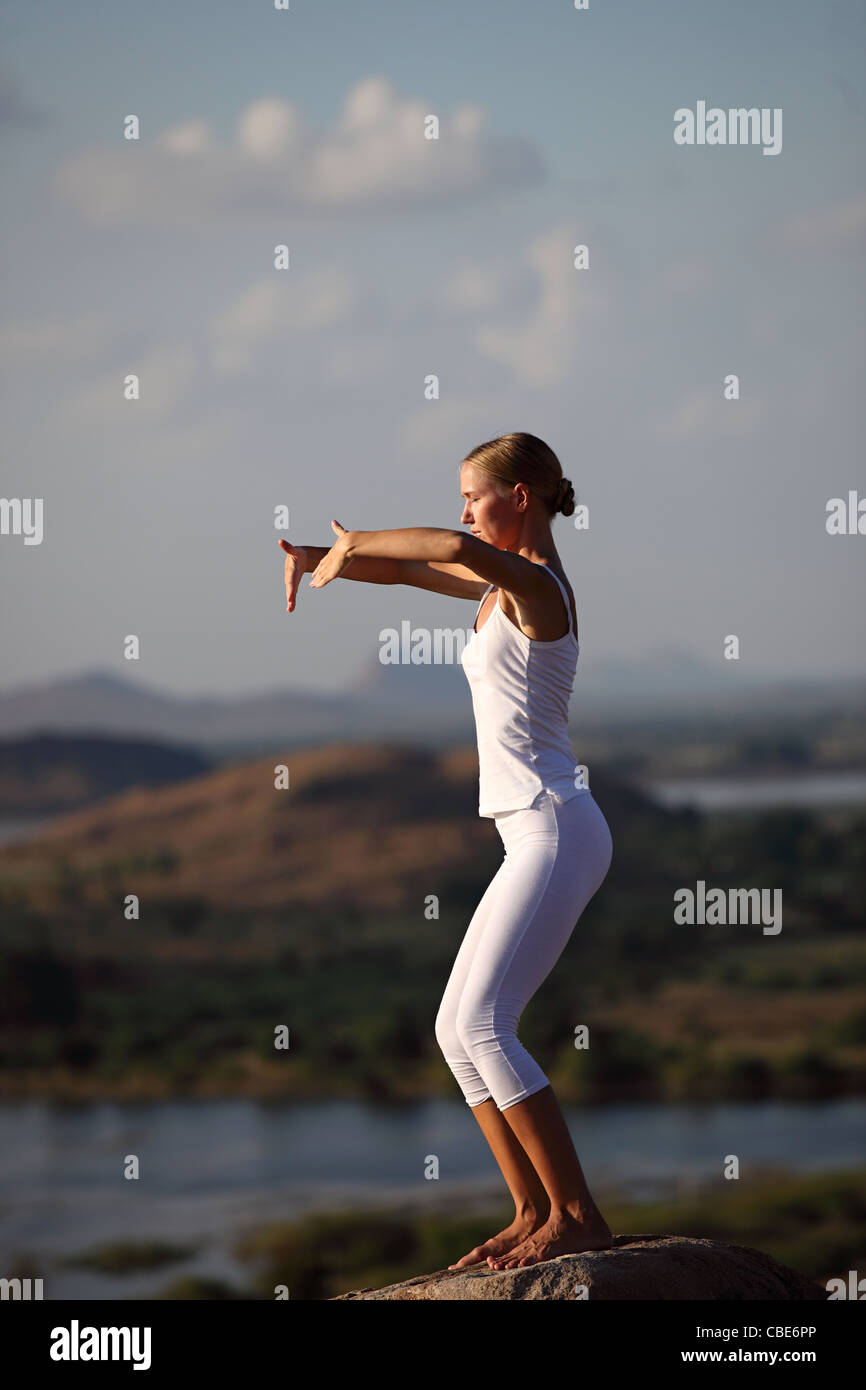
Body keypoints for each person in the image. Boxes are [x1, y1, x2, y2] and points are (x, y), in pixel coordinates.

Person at [279, 431, 614, 1271]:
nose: (463, 509)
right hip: (527, 830)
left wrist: (358, 538)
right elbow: (415, 567)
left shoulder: (537, 586)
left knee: (484, 1023)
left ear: (521, 499)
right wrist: (329, 557)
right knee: (452, 1030)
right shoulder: (494, 587)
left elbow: (456, 547)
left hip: (556, 825)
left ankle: (578, 1215)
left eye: (474, 492)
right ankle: (532, 1208)